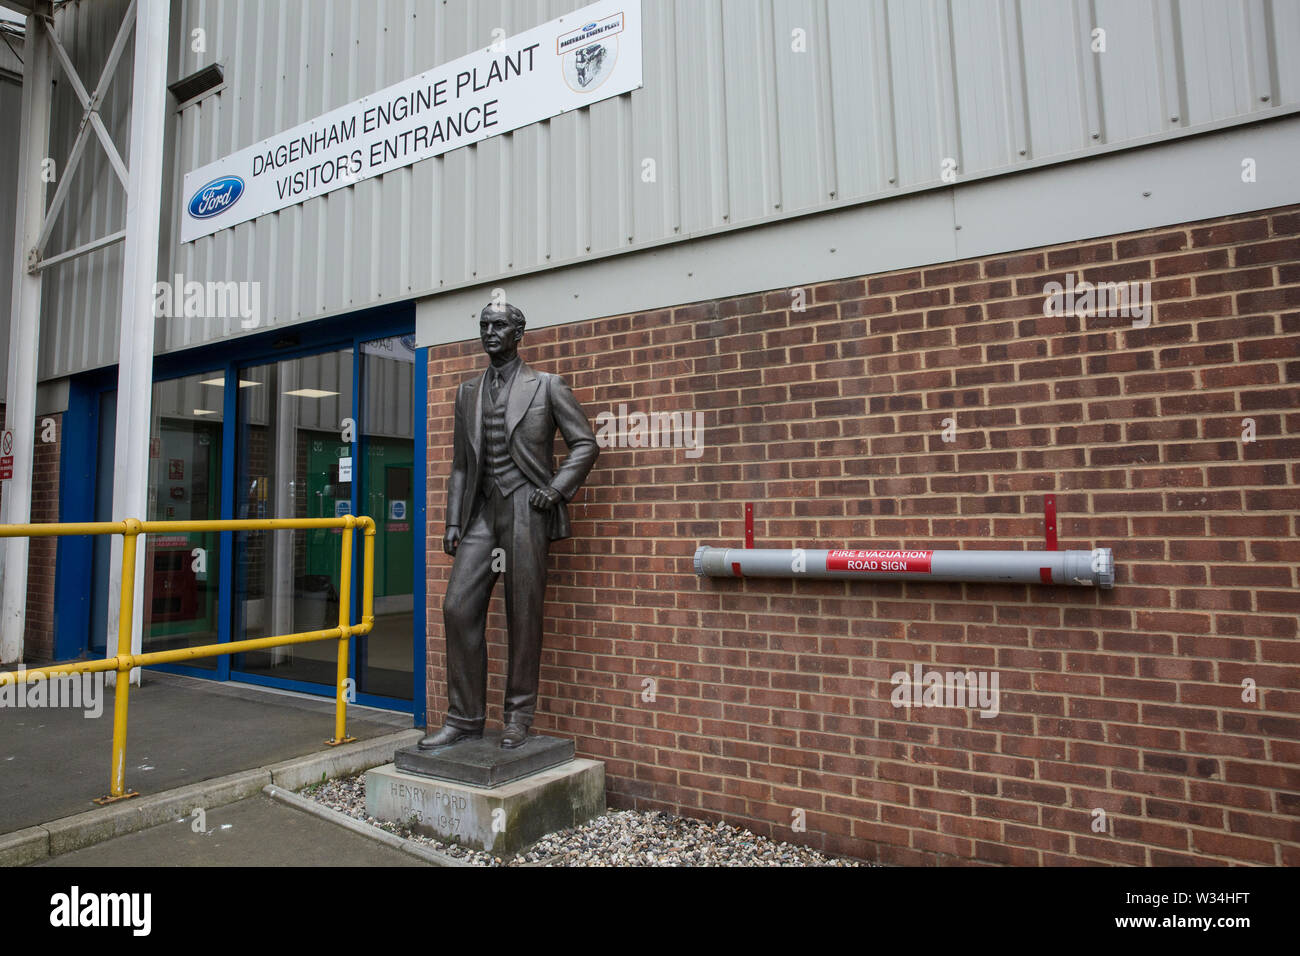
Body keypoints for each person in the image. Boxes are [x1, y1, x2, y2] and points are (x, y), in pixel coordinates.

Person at [420, 301, 599, 751]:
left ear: (519, 332)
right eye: (483, 325)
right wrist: (453, 520)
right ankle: (464, 718)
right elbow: (462, 465)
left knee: (523, 614)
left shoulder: (547, 386)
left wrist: (555, 490)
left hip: (527, 508)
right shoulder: (467, 392)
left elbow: (585, 444)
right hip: (484, 511)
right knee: (457, 607)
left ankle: (519, 716)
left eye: (499, 325)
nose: (489, 332)